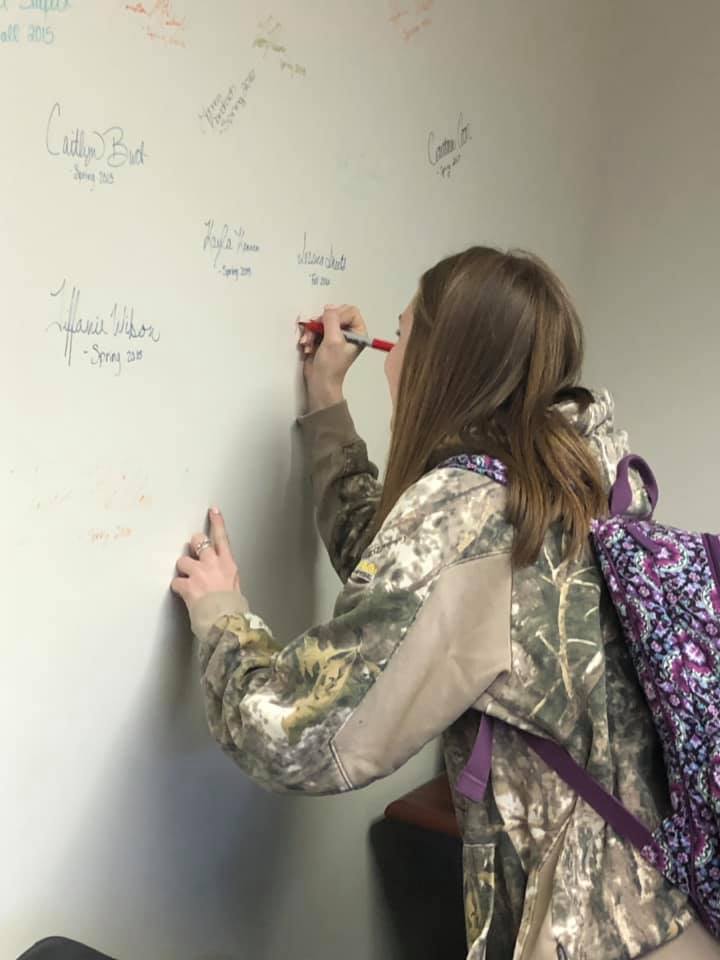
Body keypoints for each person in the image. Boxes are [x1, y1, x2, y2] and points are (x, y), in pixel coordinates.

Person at [171, 247, 718, 959]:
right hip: (670, 912)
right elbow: (408, 583)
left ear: (444, 362)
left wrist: (222, 616)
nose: (390, 353)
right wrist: (328, 404)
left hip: (589, 938)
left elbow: (296, 737)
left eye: (402, 335)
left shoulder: (473, 514)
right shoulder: (577, 472)